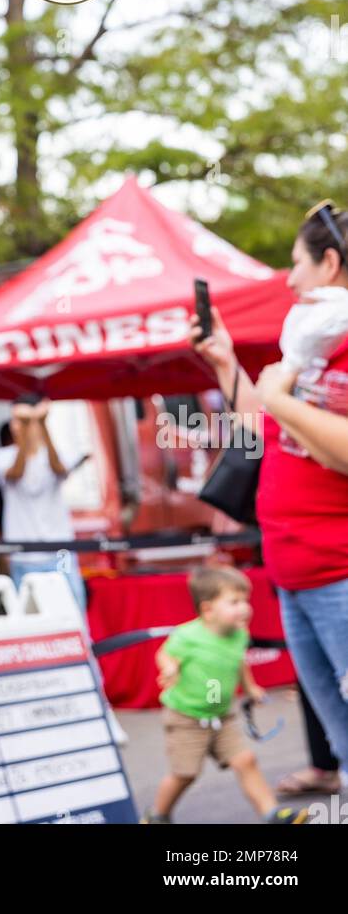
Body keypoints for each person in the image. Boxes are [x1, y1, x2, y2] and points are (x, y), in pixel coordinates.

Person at [190, 200, 348, 796]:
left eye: (296, 264)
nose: (289, 280)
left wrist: (278, 397)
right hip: (295, 574)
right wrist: (227, 362)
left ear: (329, 263)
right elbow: (266, 426)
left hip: (338, 572)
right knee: (337, 728)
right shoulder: (308, 350)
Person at [140, 566, 308, 825]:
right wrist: (170, 667)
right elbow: (164, 653)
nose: (245, 608)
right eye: (234, 602)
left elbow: (238, 661)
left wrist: (250, 687)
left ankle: (273, 814)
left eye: (245, 601)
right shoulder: (188, 635)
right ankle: (158, 815)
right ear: (208, 609)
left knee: (246, 760)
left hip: (222, 714)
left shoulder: (238, 634)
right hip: (187, 719)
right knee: (185, 773)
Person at [0, 393, 87, 616]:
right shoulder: (1, 456)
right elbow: (16, 473)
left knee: (72, 613)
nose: (18, 426)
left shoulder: (59, 453)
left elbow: (59, 469)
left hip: (60, 551)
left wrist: (42, 425)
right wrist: (27, 434)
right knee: (28, 619)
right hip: (23, 554)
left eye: (23, 421)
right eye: (16, 420)